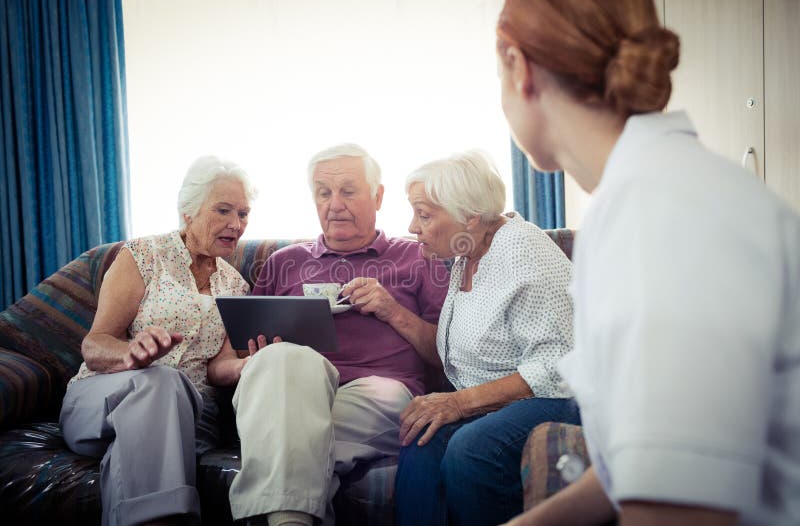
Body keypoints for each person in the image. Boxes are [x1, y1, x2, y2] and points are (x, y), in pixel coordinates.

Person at [494, 0, 800, 525]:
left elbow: (674, 512)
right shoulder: (645, 197)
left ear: (519, 68)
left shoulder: (660, 214)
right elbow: (629, 474)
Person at [210, 143, 450, 526]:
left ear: (378, 196)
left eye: (348, 191)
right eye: (324, 193)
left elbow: (446, 355)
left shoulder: (418, 257)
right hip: (289, 390)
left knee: (284, 429)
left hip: (380, 393)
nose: (335, 204)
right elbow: (225, 363)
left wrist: (392, 311)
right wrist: (256, 361)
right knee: (286, 362)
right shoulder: (284, 262)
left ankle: (283, 508)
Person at [59, 155, 258, 526]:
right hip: (103, 402)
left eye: (244, 214)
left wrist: (248, 365)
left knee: (149, 425)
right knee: (162, 380)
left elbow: (218, 368)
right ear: (189, 210)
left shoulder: (236, 286)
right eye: (224, 210)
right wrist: (130, 355)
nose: (237, 224)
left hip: (186, 422)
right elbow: (95, 343)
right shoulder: (143, 256)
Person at [393, 150, 579, 526]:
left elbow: (557, 367)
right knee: (421, 438)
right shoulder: (467, 253)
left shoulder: (521, 249)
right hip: (505, 401)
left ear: (471, 217)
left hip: (562, 395)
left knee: (470, 447)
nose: (413, 227)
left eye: (424, 215)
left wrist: (460, 404)